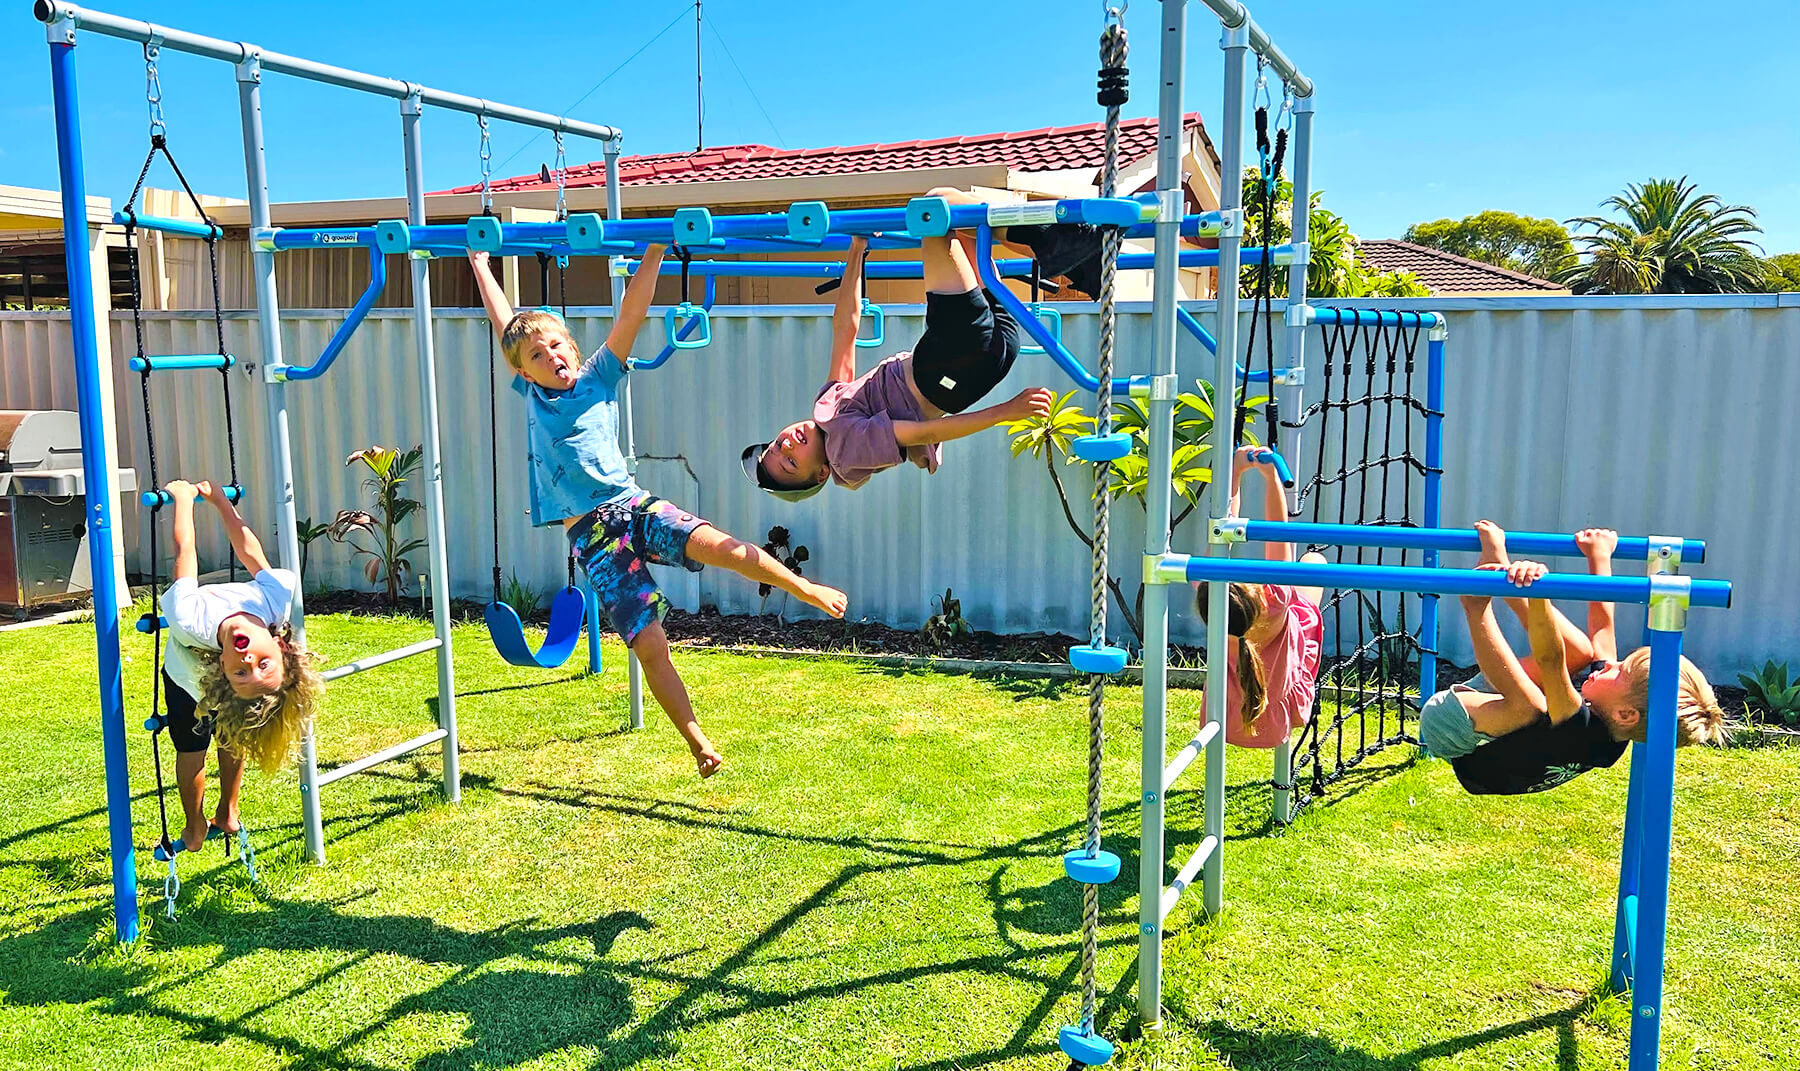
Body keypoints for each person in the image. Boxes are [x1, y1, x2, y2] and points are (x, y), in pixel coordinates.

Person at [468, 246, 847, 778]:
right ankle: (697, 742)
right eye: (536, 355)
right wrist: (482, 264)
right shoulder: (533, 397)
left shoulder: (599, 374)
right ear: (524, 373)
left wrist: (652, 247)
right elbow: (505, 324)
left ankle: (802, 588)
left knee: (716, 545)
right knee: (650, 644)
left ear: (572, 348)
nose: (550, 355)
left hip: (632, 504)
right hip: (593, 539)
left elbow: (632, 314)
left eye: (556, 345)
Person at [742, 187, 1108, 500]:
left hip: (976, 360)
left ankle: (1077, 261)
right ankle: (1066, 247)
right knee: (934, 214)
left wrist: (856, 249)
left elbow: (846, 329)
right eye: (790, 462)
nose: (787, 445)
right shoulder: (845, 451)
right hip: (948, 366)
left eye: (777, 445)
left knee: (956, 209)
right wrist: (1004, 411)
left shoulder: (829, 406)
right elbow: (923, 432)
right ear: (821, 474)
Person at [1418, 520, 1726, 795]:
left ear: (1625, 714)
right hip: (1494, 721)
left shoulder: (1581, 731)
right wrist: (1599, 555)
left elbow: (1550, 659)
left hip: (1455, 736)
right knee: (1583, 650)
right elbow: (1603, 628)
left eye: (1619, 671)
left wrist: (1539, 592)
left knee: (1532, 707)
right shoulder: (1619, 724)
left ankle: (1477, 607)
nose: (1612, 665)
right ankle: (1504, 569)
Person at [157, 478, 321, 853]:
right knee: (231, 735)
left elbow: (185, 553)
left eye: (241, 672)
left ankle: (198, 822)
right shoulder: (276, 600)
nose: (248, 660)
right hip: (208, 684)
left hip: (186, 682)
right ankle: (221, 815)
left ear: (222, 668)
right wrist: (219, 503)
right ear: (281, 644)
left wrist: (183, 500)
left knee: (190, 749)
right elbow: (249, 550)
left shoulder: (190, 618)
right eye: (264, 663)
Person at [1192, 446, 1325, 748]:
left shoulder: (1210, 599)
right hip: (1278, 719)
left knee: (1296, 588)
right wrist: (1271, 478)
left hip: (1224, 720)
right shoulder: (1274, 601)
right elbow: (1278, 533)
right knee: (1315, 562)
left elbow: (1222, 525)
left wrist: (1234, 473)